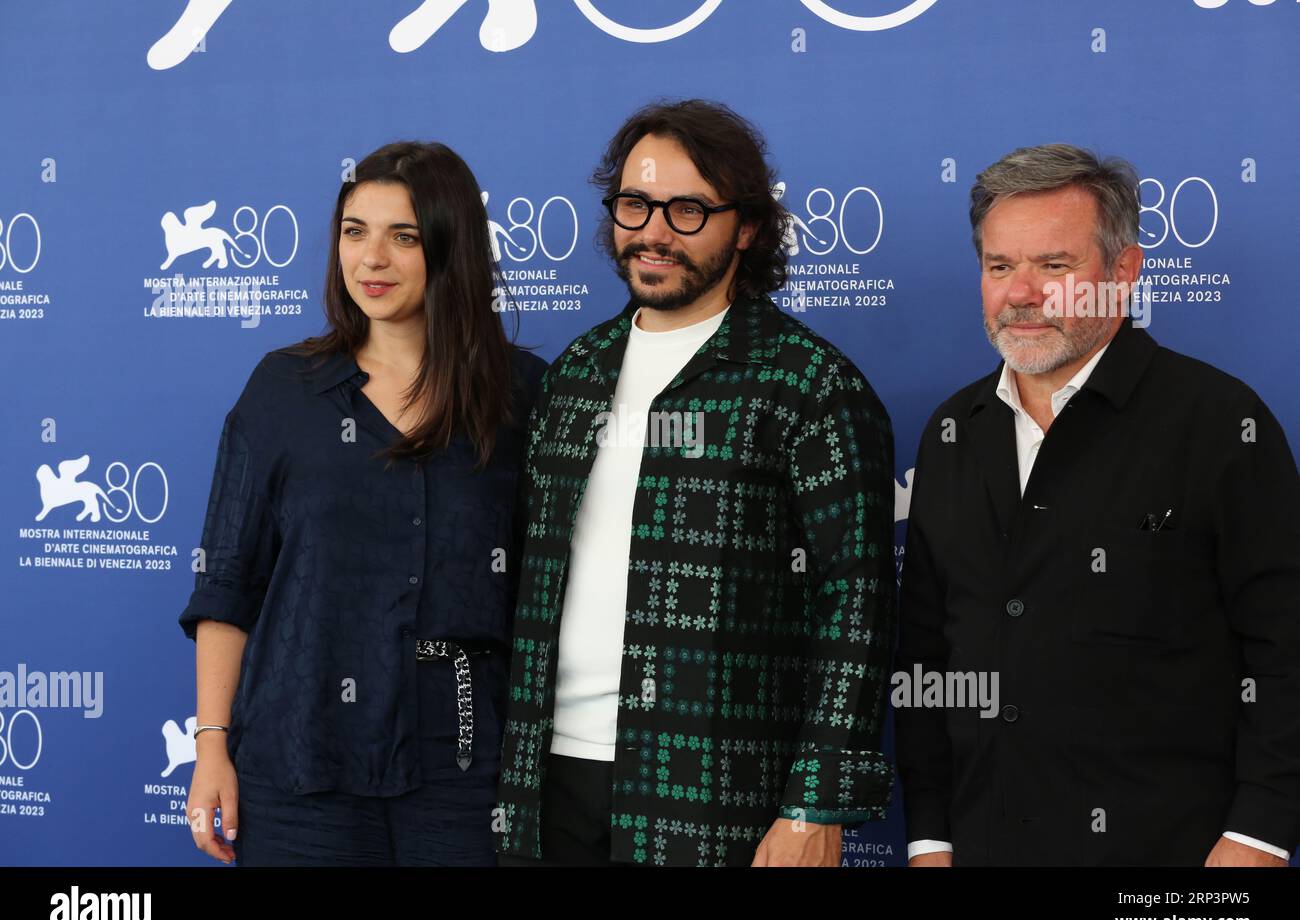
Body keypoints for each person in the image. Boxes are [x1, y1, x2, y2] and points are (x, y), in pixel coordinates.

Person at [494, 100, 896, 867]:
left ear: (745, 226)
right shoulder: (574, 375)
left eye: (687, 211)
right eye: (635, 205)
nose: (653, 233)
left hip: (717, 790)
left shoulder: (809, 385)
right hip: (547, 787)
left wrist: (816, 801)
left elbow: (857, 604)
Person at [896, 143, 1300, 866]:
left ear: (1123, 272)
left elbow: (1286, 645)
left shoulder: (1219, 424)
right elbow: (929, 655)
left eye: (1054, 266)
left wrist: (1257, 838)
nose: (1021, 293)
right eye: (999, 267)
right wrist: (930, 836)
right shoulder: (953, 434)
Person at [179, 141, 546, 866]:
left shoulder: (523, 396)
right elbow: (227, 583)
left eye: (403, 236)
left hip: (464, 768)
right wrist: (212, 746)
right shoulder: (282, 389)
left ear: (451, 247)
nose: (371, 259)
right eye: (354, 231)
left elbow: (554, 592)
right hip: (298, 765)